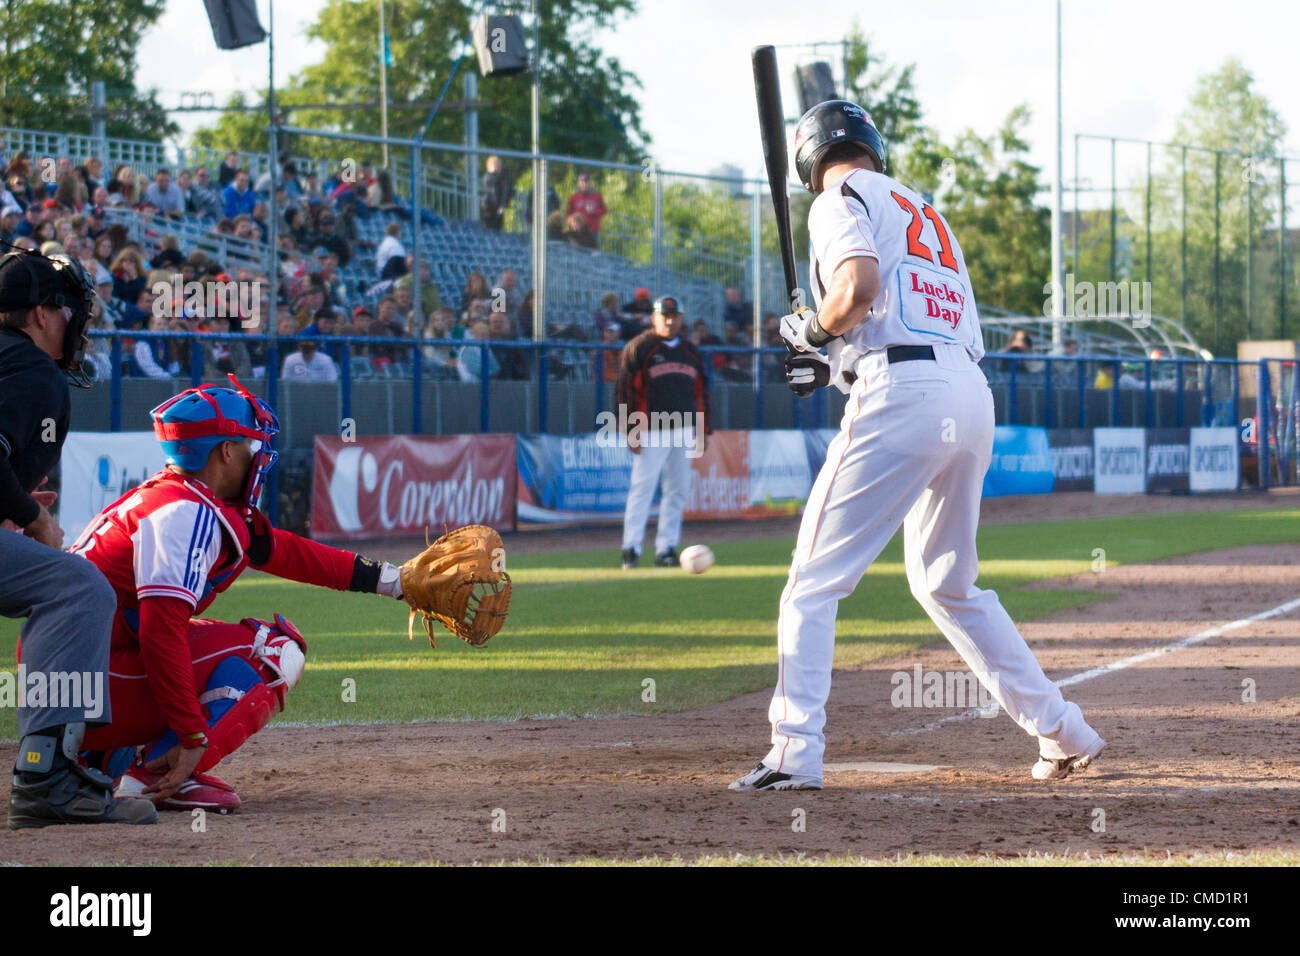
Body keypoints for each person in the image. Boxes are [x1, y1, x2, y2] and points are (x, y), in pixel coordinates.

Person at [731, 100, 1105, 793]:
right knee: (948, 583)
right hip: (967, 391)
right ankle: (1064, 731)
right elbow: (890, 315)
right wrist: (829, 350)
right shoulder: (922, 209)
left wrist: (812, 335)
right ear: (874, 146)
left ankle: (793, 753)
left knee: (813, 581)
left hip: (904, 395)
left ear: (811, 160)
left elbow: (859, 290)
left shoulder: (835, 197)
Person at [66, 379, 425, 812]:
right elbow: (161, 636)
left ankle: (98, 761)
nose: (259, 457)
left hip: (64, 687)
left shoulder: (174, 497)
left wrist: (395, 581)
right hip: (90, 685)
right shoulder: (186, 513)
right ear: (224, 452)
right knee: (271, 649)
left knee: (201, 640)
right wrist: (193, 736)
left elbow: (289, 552)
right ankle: (155, 779)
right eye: (251, 446)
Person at [0, 250, 156, 829]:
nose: (73, 323)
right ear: (42, 314)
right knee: (77, 587)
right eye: (66, 310)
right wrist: (34, 520)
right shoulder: (33, 370)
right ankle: (47, 777)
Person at [615, 295, 710, 570]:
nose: (669, 321)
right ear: (654, 318)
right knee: (642, 488)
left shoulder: (691, 351)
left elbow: (701, 393)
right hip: (651, 429)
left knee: (677, 490)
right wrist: (630, 428)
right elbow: (625, 391)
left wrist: (703, 428)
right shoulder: (640, 348)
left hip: (684, 428)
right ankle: (630, 548)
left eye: (674, 316)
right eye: (664, 316)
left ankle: (666, 548)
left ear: (681, 319)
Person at [565, 172, 607, 240]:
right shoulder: (574, 197)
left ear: (589, 183)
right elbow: (567, 214)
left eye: (586, 182)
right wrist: (572, 222)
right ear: (578, 183)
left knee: (593, 250)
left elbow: (604, 210)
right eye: (581, 182)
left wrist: (594, 211)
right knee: (576, 250)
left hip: (592, 230)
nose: (584, 184)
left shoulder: (596, 196)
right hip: (578, 230)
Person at [480, 155, 513, 231]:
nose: (497, 167)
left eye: (498, 165)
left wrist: (503, 205)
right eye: (494, 165)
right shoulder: (487, 177)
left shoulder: (503, 179)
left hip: (497, 206)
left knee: (497, 227)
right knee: (488, 227)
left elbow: (507, 191)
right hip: (488, 206)